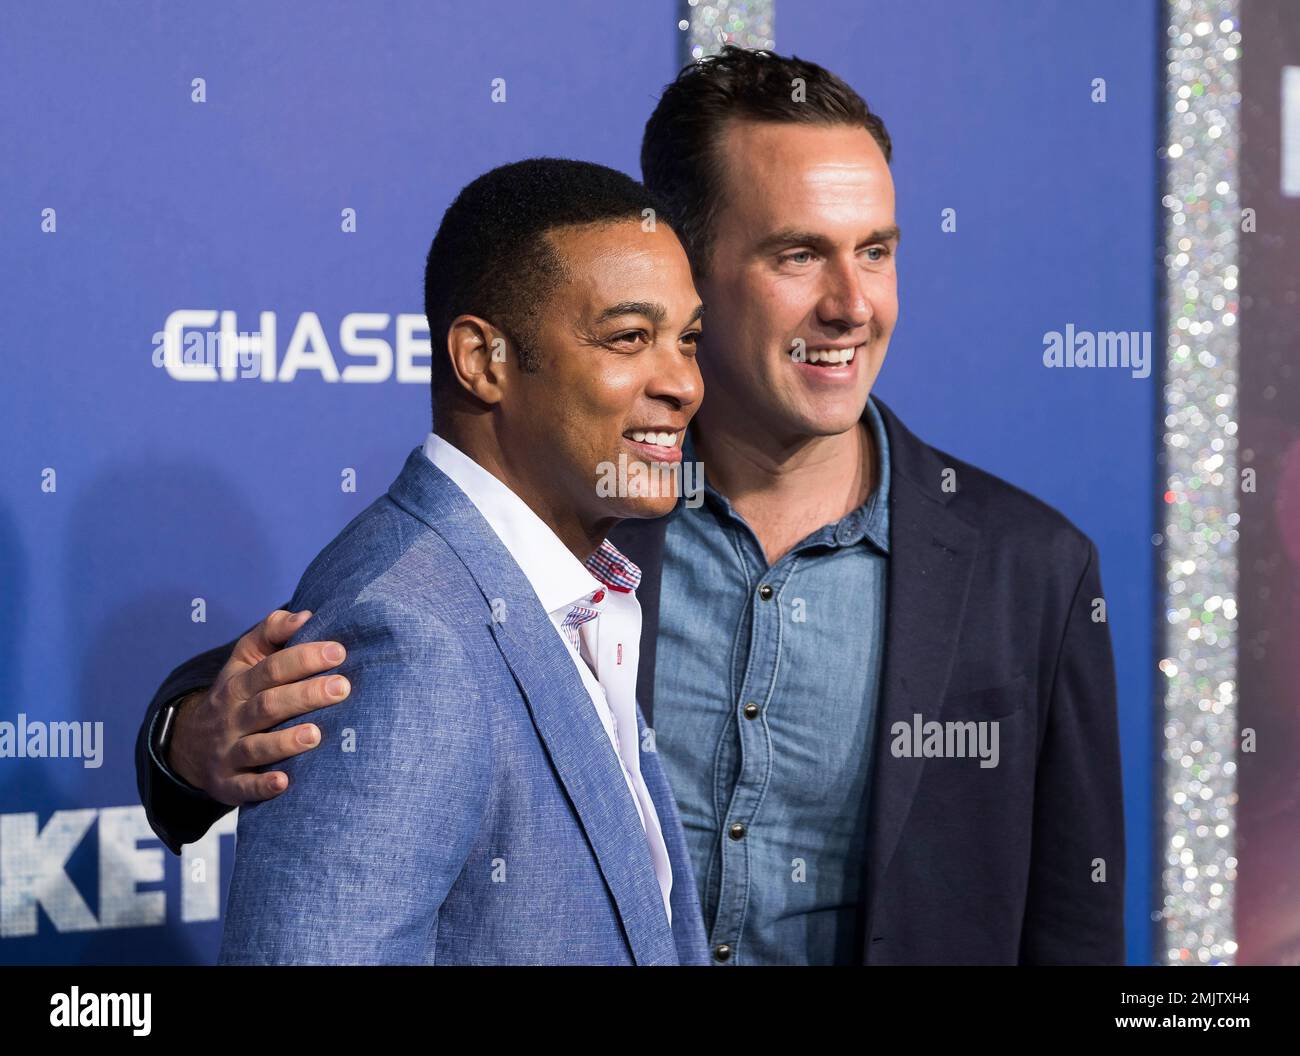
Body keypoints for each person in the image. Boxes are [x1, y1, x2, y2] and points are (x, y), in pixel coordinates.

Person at [139, 48, 1125, 966]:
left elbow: (1070, 924)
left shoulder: (1025, 565)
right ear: (687, 267)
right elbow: (381, 651)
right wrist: (186, 736)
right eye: (797, 255)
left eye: (875, 250)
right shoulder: (576, 500)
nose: (851, 304)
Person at [214, 157, 708, 964]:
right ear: (483, 360)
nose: (683, 382)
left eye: (687, 339)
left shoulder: (565, 589)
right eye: (628, 338)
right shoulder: (406, 636)